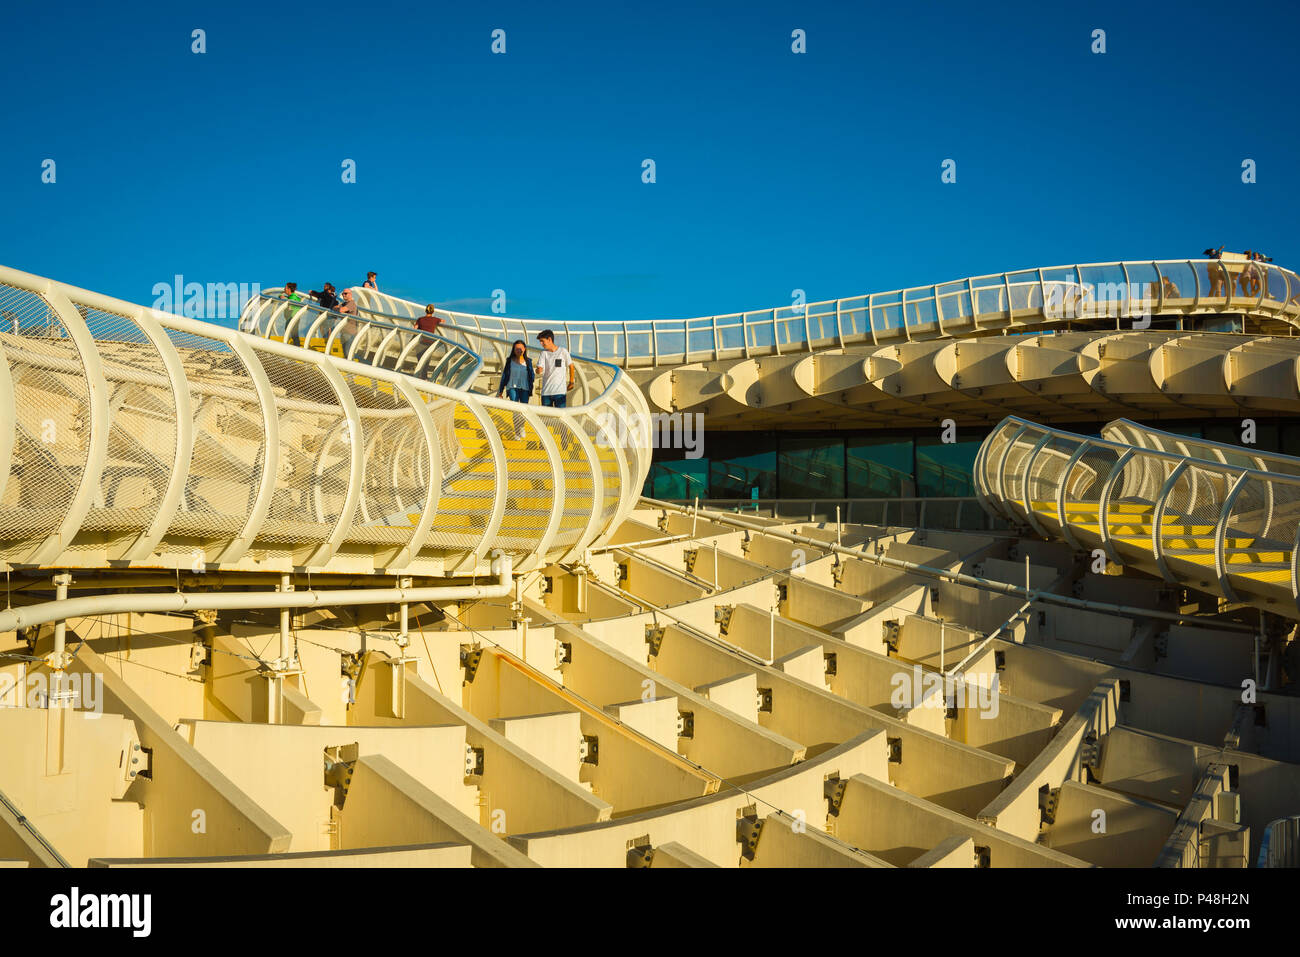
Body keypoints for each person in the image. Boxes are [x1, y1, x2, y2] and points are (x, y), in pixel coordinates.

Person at [535, 328, 575, 408]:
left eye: (542, 341)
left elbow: (571, 366)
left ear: (549, 339)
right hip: (546, 393)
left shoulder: (563, 351)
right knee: (546, 418)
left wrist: (571, 382)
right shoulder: (543, 353)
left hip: (560, 392)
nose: (541, 343)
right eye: (540, 341)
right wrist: (538, 370)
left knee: (560, 417)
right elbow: (538, 370)